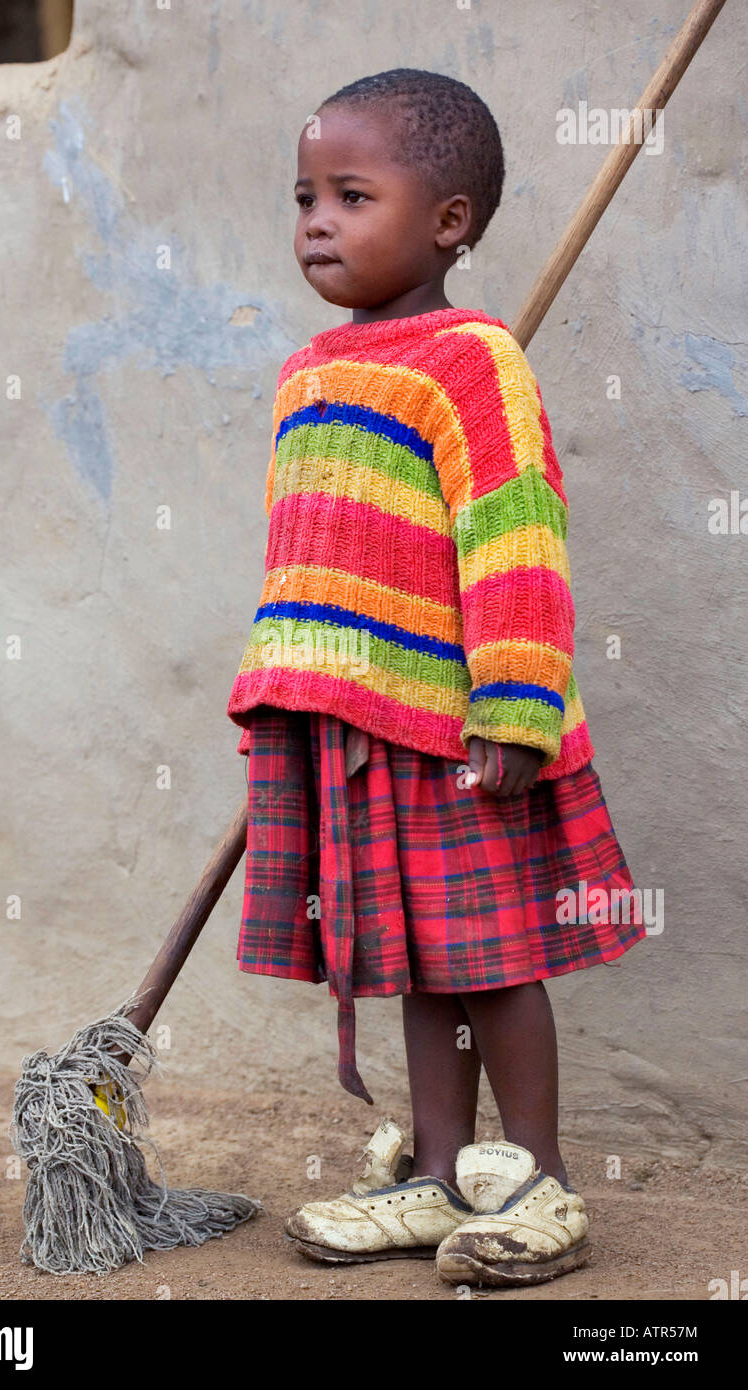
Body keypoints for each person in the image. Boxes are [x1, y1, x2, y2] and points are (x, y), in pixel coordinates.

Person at [226, 68, 646, 1288]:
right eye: (305, 195)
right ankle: (438, 1170)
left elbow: (515, 533)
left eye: (351, 195)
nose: (315, 220)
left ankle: (542, 1181)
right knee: (407, 961)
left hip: (456, 730)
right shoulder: (307, 373)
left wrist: (516, 706)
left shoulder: (471, 362)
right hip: (346, 726)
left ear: (448, 221)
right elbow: (304, 554)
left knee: (489, 956)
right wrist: (278, 692)